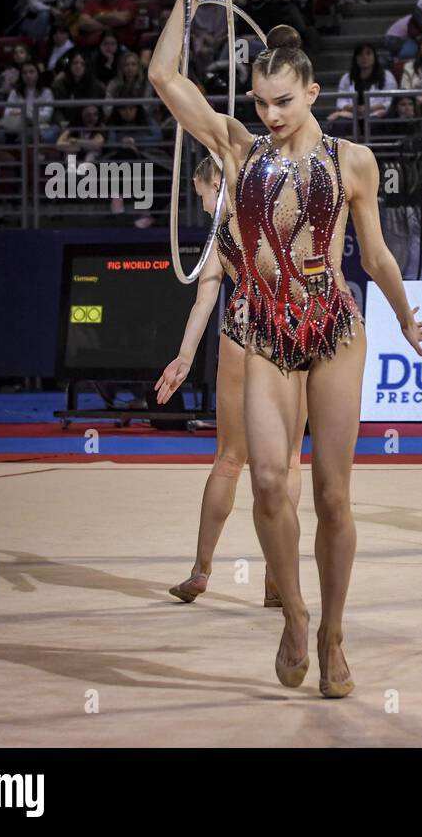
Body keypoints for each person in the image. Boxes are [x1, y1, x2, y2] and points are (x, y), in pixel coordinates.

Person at [148, 0, 422, 697]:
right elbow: (163, 78)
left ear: (312, 91)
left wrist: (407, 318)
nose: (269, 116)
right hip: (263, 330)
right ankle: (296, 612)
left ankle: (336, 635)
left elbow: (374, 259)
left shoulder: (353, 162)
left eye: (283, 101)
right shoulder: (240, 151)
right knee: (270, 483)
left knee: (334, 495)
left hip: (334, 327)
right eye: (259, 103)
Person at [156, 156, 308, 606]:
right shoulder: (282, 217)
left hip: (244, 333)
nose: (202, 205)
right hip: (288, 332)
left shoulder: (223, 234)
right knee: (291, 461)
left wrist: (185, 355)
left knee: (228, 460)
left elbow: (204, 300)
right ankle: (277, 580)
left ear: (218, 183)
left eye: (203, 194)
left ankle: (201, 571)